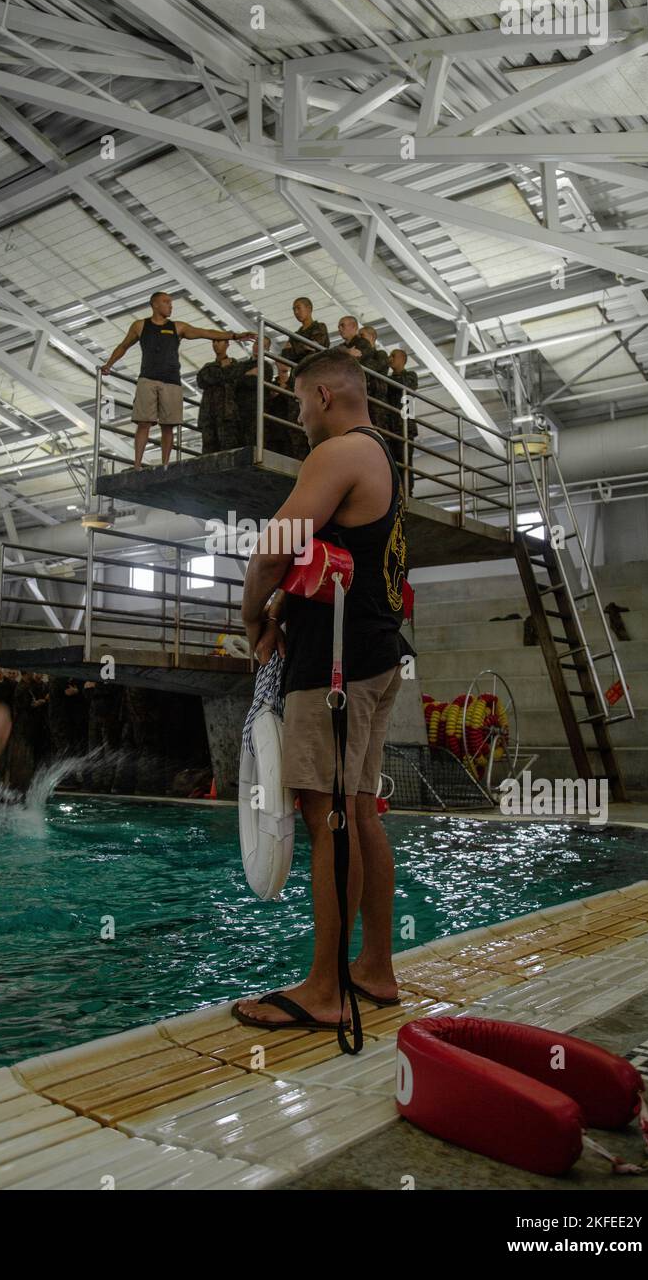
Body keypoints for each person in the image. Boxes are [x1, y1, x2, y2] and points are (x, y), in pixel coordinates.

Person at [235, 349, 408, 1031]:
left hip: (334, 667)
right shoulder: (380, 456)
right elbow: (337, 565)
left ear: (328, 394)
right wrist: (285, 612)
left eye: (301, 400)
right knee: (358, 810)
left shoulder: (337, 454)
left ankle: (326, 990)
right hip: (374, 652)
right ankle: (375, 969)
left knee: (328, 816)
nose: (299, 412)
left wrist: (253, 617)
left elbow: (273, 552)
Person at [100, 292, 253, 469]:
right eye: (166, 302)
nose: (170, 306)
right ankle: (137, 465)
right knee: (144, 423)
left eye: (171, 303)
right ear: (154, 305)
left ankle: (165, 465)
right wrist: (109, 364)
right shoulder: (140, 325)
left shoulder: (178, 327)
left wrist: (234, 336)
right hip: (147, 379)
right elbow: (123, 346)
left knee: (168, 425)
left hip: (171, 381)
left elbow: (205, 332)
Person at [195, 338, 241, 454]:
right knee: (208, 450)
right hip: (208, 415)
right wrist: (222, 368)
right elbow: (201, 380)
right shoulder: (208, 366)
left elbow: (230, 377)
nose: (215, 344)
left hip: (227, 414)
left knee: (228, 449)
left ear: (227, 344)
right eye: (213, 342)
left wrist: (219, 372)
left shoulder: (234, 364)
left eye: (219, 341)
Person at [386, 348, 419, 492]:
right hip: (391, 426)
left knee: (405, 461)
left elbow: (405, 384)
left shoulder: (411, 375)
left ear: (403, 359)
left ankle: (407, 492)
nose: (390, 358)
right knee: (391, 462)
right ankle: (395, 492)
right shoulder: (387, 380)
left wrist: (386, 378)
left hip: (405, 426)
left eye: (393, 356)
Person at [281, 296, 329, 367]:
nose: (296, 312)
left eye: (298, 308)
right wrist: (304, 347)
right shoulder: (295, 335)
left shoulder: (320, 327)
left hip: (316, 369)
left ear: (309, 308)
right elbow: (286, 355)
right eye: (294, 309)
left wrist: (295, 349)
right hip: (298, 373)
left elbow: (315, 346)